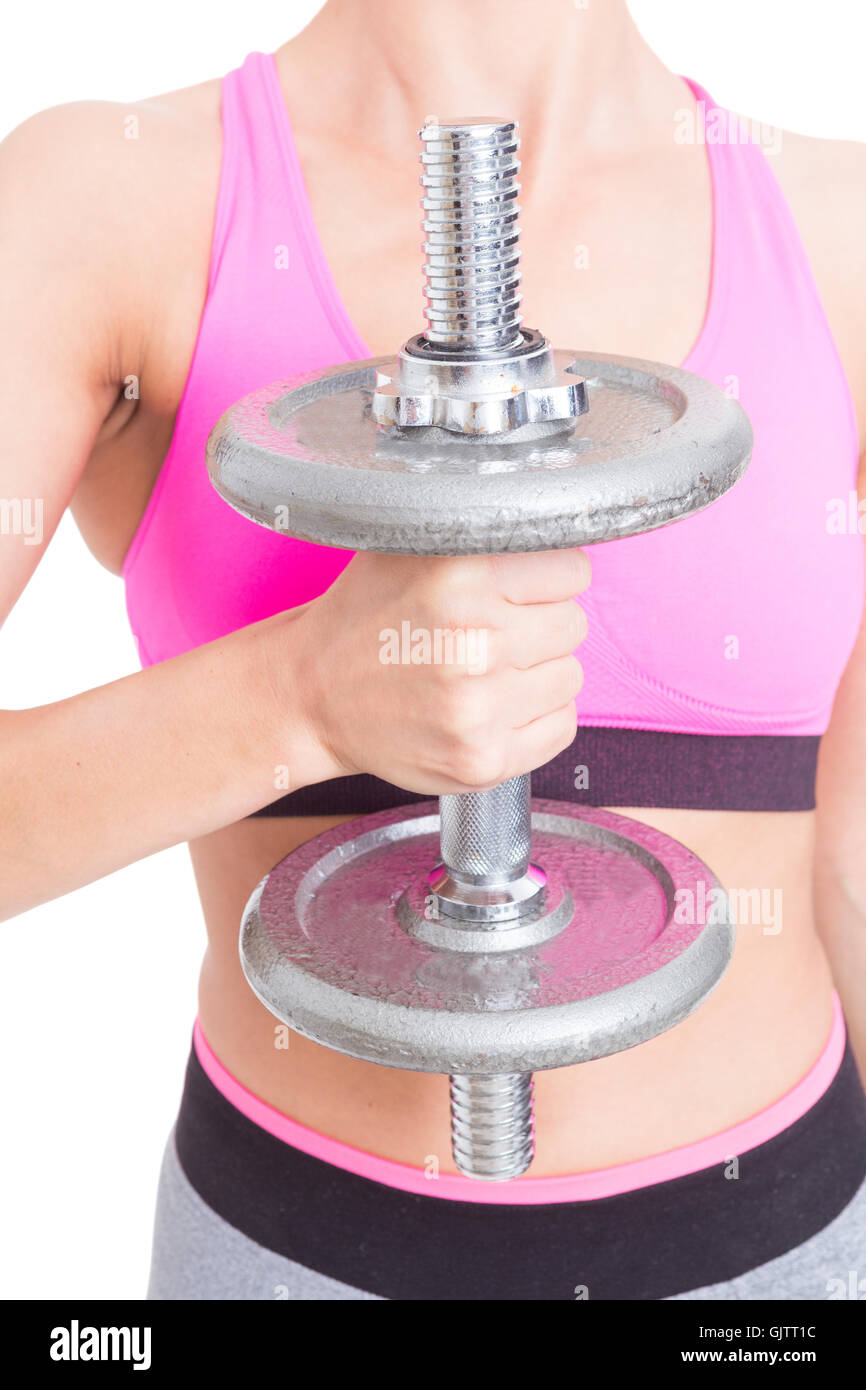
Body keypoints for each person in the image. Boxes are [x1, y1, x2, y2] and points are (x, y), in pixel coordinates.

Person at [2, 0, 866, 1301]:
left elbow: (850, 849)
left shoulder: (842, 225)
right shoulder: (106, 197)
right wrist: (295, 697)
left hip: (775, 1262)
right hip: (295, 1257)